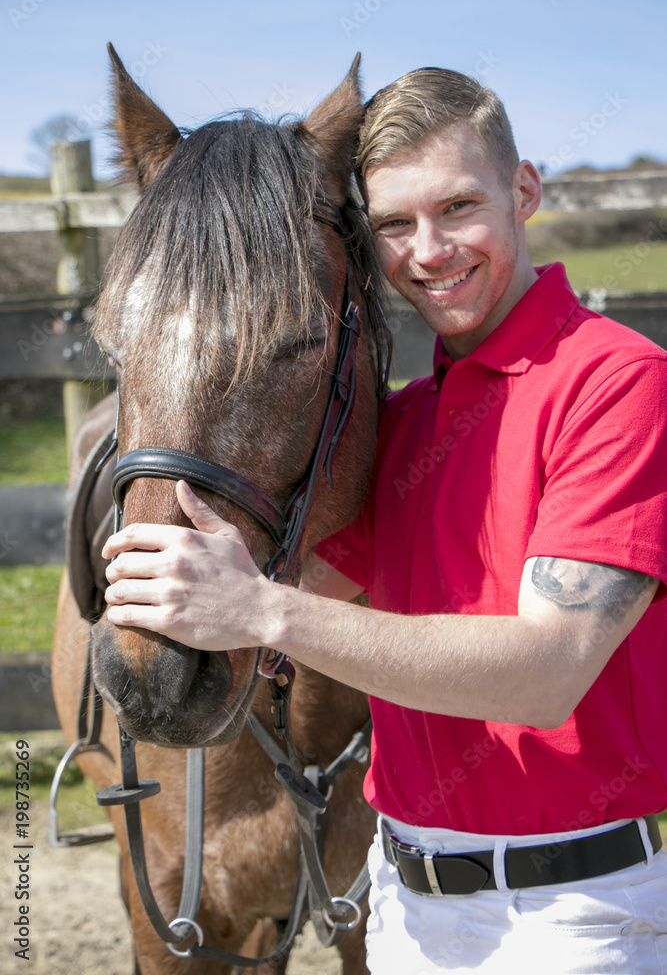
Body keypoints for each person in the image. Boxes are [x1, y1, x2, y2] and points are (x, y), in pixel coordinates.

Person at [102, 68, 667, 973]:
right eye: (395, 224)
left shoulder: (618, 384)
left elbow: (549, 673)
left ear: (524, 192)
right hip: (403, 905)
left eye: (458, 207)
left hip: (569, 913)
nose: (429, 251)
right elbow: (300, 583)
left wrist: (264, 615)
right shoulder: (406, 423)